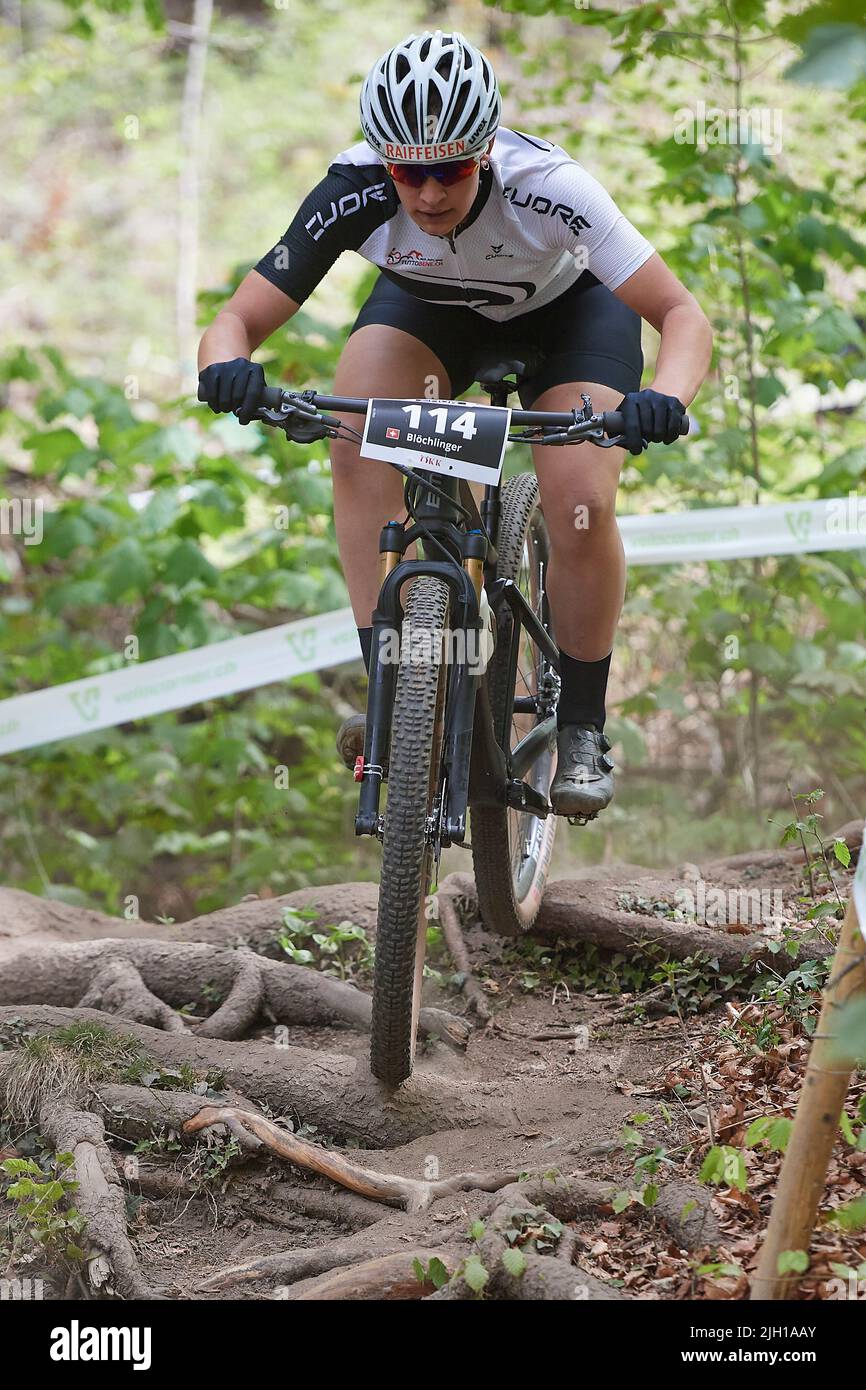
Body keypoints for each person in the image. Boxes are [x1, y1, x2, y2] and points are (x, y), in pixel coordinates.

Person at [198, 29, 712, 817]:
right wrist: (225, 371)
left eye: (451, 170)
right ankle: (390, 687)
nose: (430, 193)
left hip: (569, 321)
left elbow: (682, 316)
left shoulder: (551, 187)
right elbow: (235, 320)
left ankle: (579, 722)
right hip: (432, 316)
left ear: (486, 151)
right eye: (410, 172)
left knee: (583, 499)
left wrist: (667, 397)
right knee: (353, 439)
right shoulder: (355, 188)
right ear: (385, 160)